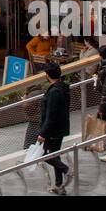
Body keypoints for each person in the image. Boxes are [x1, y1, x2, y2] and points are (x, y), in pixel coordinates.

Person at [36, 62, 71, 194]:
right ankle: (59, 185)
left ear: (47, 75)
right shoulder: (62, 87)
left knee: (44, 155)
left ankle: (66, 170)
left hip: (53, 130)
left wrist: (43, 133)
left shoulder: (54, 92)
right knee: (55, 154)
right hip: (60, 128)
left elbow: (51, 115)